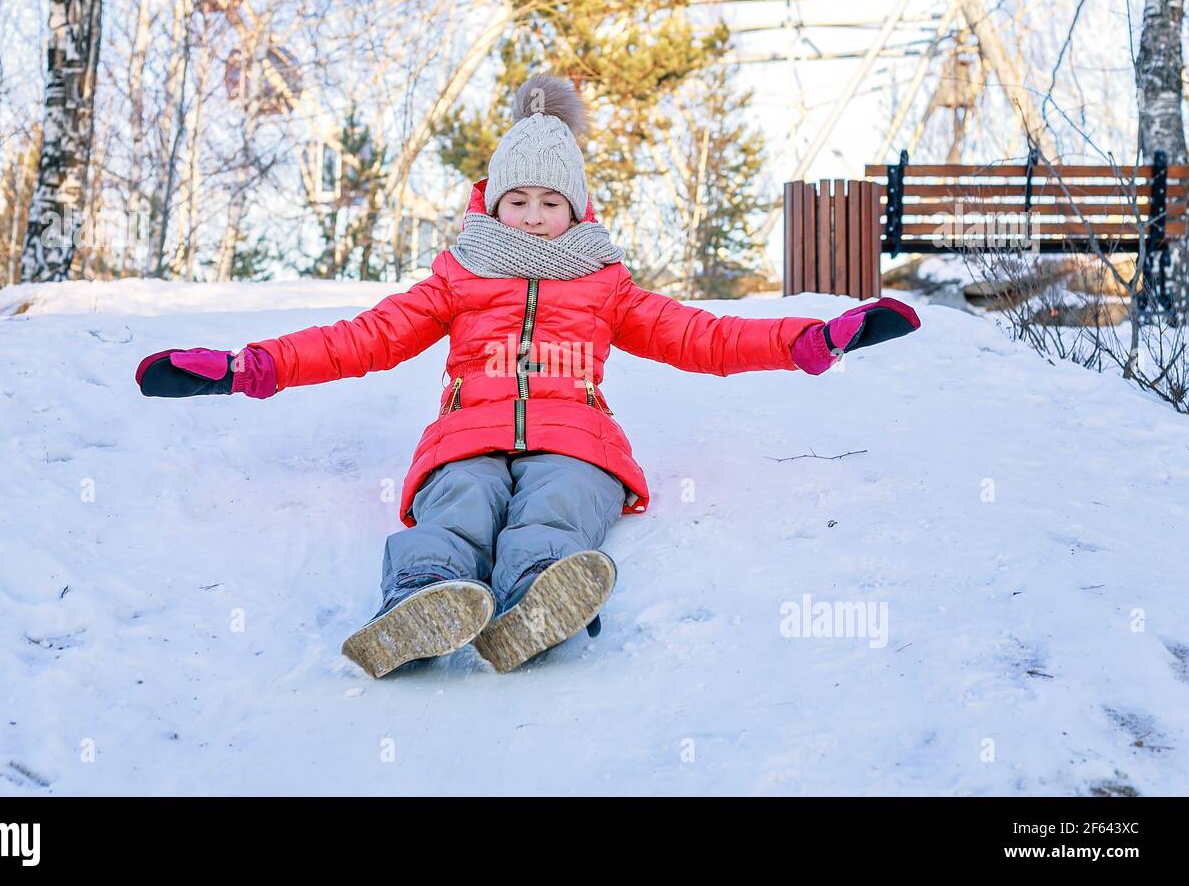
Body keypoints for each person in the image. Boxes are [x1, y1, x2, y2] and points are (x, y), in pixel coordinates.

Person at [134, 72, 920, 678]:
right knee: (458, 506)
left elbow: (701, 336)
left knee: (561, 501)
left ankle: (547, 593)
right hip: (465, 436)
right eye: (520, 200)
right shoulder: (459, 274)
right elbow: (363, 339)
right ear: (493, 203)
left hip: (575, 438)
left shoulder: (604, 283)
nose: (536, 214)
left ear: (576, 209)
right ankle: (420, 602)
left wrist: (807, 339)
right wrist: (253, 367)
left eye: (552, 201)